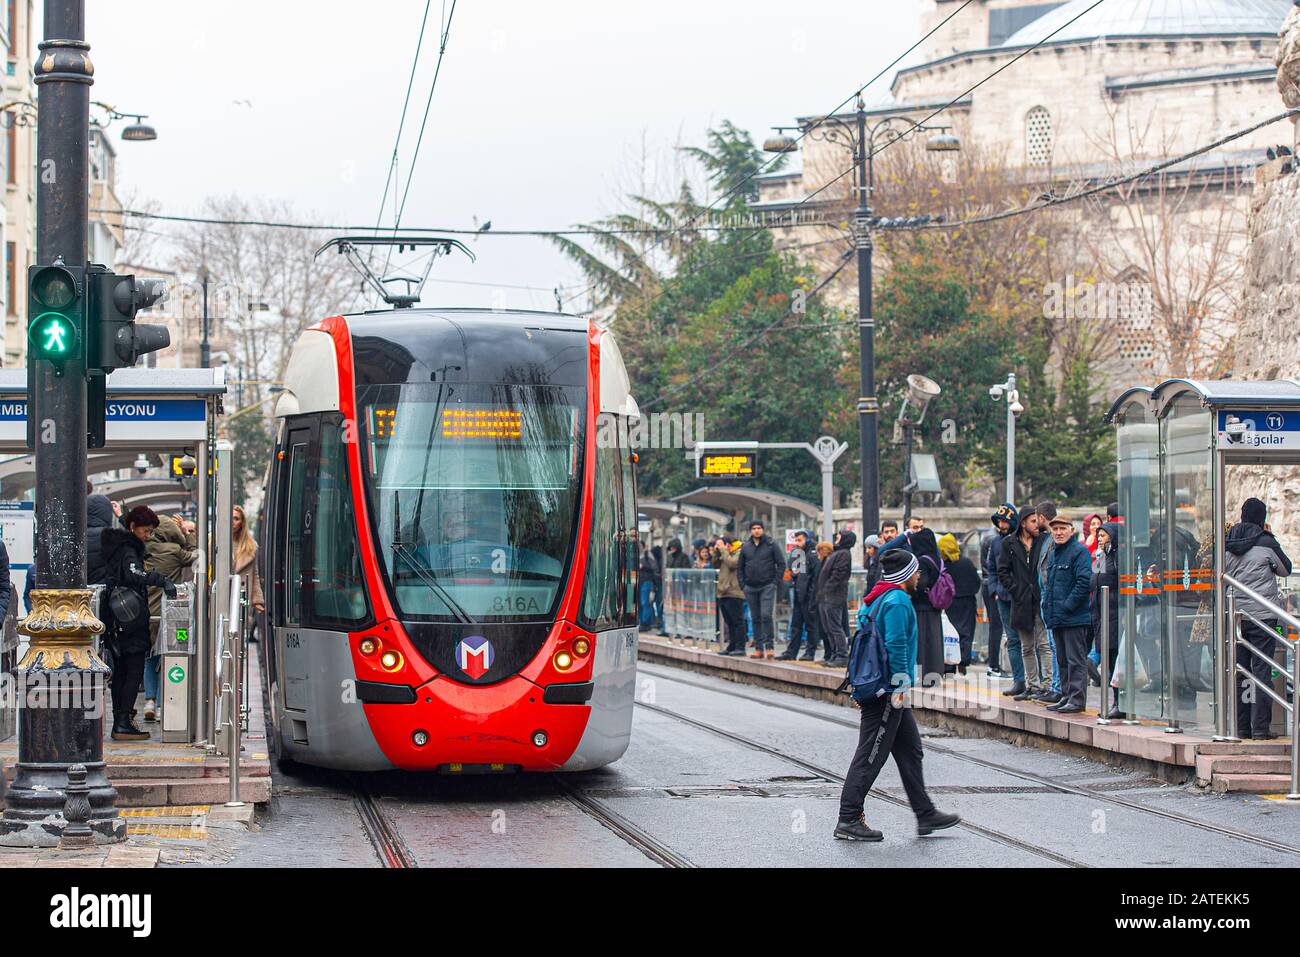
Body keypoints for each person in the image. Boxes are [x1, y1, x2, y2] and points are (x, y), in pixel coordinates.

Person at [834, 548, 961, 842]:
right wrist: (901, 688)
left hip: (877, 686)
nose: (919, 576)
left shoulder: (875, 597)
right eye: (915, 572)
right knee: (871, 754)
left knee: (910, 749)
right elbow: (896, 646)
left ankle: (925, 812)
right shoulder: (898, 600)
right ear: (906, 575)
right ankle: (849, 818)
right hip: (888, 691)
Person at [101, 506, 176, 741]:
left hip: (117, 619)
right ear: (133, 527)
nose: (148, 536)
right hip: (130, 620)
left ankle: (120, 720)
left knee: (121, 671)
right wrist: (160, 579)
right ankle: (123, 722)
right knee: (133, 671)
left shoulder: (118, 547)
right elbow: (134, 575)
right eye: (146, 531)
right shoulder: (129, 549)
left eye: (152, 532)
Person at [1224, 497, 1292, 739]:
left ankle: (1242, 728)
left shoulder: (1228, 541)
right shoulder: (1266, 542)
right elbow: (1286, 569)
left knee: (1240, 669)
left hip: (1237, 617)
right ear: (1262, 518)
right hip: (1263, 616)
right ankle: (1261, 729)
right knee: (1262, 669)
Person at [142, 514, 198, 721]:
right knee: (170, 658)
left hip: (146, 614)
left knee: (150, 657)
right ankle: (160, 705)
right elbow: (195, 556)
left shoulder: (143, 550)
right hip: (170, 613)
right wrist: (188, 533)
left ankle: (149, 699)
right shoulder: (174, 551)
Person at [998, 505, 1055, 702]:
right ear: (1023, 523)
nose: (1037, 524)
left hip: (1039, 600)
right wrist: (1015, 589)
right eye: (1032, 521)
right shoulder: (1009, 543)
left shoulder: (1043, 541)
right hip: (1021, 601)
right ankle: (1032, 685)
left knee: (1044, 644)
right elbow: (1002, 571)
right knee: (1027, 646)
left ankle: (1047, 685)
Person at [1040, 515, 1093, 714]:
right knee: (1062, 659)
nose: (1059, 532)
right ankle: (1066, 695)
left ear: (1071, 530)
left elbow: (1083, 581)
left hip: (1074, 617)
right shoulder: (1054, 552)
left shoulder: (1079, 552)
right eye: (1055, 529)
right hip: (1057, 617)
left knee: (1075, 660)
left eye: (1063, 529)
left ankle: (1077, 699)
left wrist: (1068, 606)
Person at [1091, 521, 1124, 719]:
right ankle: (1114, 701)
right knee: (1108, 659)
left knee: (1115, 659)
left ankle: (1120, 702)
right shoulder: (1102, 557)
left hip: (1114, 613)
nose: (1100, 539)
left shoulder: (1119, 557)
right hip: (1101, 613)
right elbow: (1094, 580)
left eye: (1104, 535)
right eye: (1099, 536)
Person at [981, 504, 1016, 679]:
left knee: (1002, 628)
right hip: (995, 589)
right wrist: (995, 589)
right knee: (997, 627)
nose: (1001, 525)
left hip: (998, 587)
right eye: (1000, 521)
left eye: (1004, 521)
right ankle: (993, 665)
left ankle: (995, 665)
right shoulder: (993, 540)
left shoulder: (994, 538)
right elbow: (990, 567)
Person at [738, 520, 783, 659]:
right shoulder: (746, 547)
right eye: (754, 528)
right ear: (750, 531)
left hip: (767, 585)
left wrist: (775, 582)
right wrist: (743, 585)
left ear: (763, 529)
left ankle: (769, 646)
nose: (756, 530)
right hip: (750, 587)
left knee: (766, 615)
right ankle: (759, 648)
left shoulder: (771, 544)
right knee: (755, 618)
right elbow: (740, 567)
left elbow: (781, 564)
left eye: (759, 528)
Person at [1034, 501, 1063, 702]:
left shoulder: (1052, 540)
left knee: (1054, 645)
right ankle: (1055, 686)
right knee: (1052, 644)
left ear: (1042, 518)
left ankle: (1058, 687)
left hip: (1052, 597)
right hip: (1047, 596)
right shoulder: (1046, 539)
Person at [939, 533, 980, 674]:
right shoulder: (967, 562)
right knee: (966, 631)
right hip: (967, 602)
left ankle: (949, 663)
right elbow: (976, 582)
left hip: (949, 603)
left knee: (950, 632)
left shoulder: (943, 566)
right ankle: (964, 659)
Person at [778, 530, 820, 660]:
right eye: (795, 540)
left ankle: (810, 652)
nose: (797, 543)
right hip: (798, 593)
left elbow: (815, 577)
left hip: (808, 595)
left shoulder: (813, 554)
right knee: (795, 625)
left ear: (807, 539)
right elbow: (791, 568)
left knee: (810, 625)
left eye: (799, 540)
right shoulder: (798, 553)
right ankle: (791, 652)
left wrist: (812, 595)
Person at [816, 531, 854, 667]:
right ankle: (834, 653)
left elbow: (838, 574)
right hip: (826, 596)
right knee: (828, 627)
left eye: (839, 537)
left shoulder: (843, 554)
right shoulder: (837, 553)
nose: (836, 539)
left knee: (835, 626)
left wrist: (826, 589)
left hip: (833, 596)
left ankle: (842, 655)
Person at [715, 539, 747, 656]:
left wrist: (723, 550)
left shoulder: (739, 552)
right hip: (723, 592)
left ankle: (740, 647)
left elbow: (732, 563)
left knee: (737, 621)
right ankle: (732, 645)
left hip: (734, 591)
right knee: (729, 621)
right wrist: (717, 552)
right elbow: (715, 564)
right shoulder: (725, 553)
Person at [637, 545, 658, 630]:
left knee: (645, 603)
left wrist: (643, 566)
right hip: (638, 582)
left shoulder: (647, 555)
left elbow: (654, 567)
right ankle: (642, 622)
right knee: (640, 603)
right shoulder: (634, 554)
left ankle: (646, 623)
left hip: (647, 581)